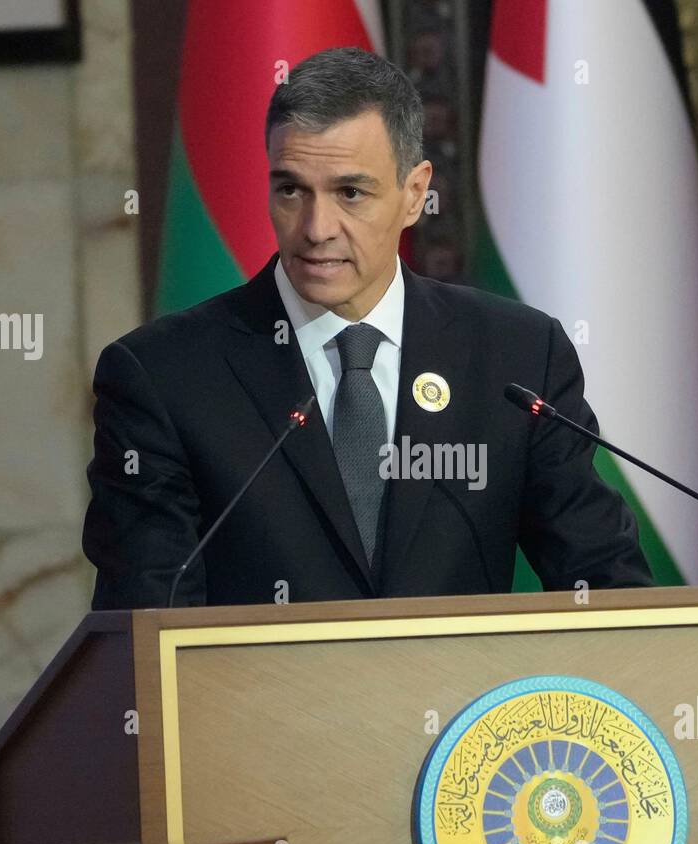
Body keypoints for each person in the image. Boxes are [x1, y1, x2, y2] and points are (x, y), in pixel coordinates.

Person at [83, 47, 652, 609]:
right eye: (290, 190)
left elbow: (604, 585)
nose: (315, 228)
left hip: (463, 700)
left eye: (350, 193)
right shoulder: (165, 376)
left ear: (414, 194)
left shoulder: (517, 357)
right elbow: (146, 633)